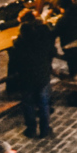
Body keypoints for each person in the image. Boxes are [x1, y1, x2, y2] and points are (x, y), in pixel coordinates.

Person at [11, 8, 58, 139]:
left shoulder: (18, 45)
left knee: (28, 104)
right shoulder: (40, 41)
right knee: (43, 103)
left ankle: (31, 129)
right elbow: (50, 52)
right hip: (42, 75)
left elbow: (14, 63)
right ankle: (45, 128)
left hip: (26, 78)